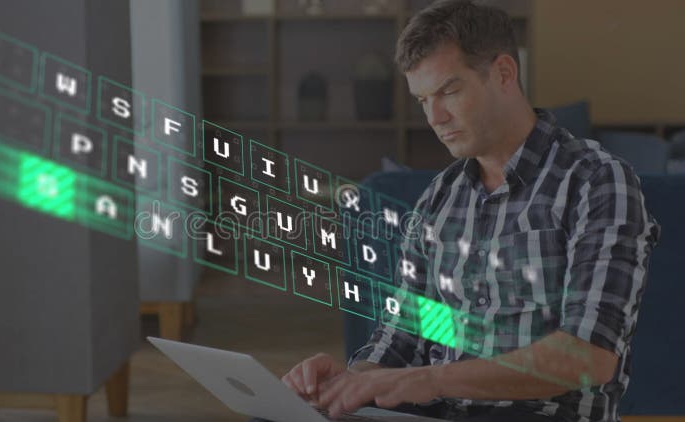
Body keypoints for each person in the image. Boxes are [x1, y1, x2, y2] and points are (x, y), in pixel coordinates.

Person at [275, 0, 661, 421]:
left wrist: (432, 380)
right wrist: (351, 382)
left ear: (504, 74)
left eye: (449, 91)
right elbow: (408, 332)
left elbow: (588, 356)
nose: (435, 117)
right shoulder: (440, 198)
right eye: (423, 99)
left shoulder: (594, 181)